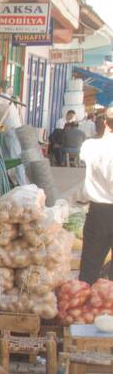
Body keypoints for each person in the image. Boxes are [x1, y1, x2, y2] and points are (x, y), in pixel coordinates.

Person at [79, 120, 113, 284]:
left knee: (89, 269)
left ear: (106, 123)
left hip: (98, 212)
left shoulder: (89, 146)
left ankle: (85, 304)